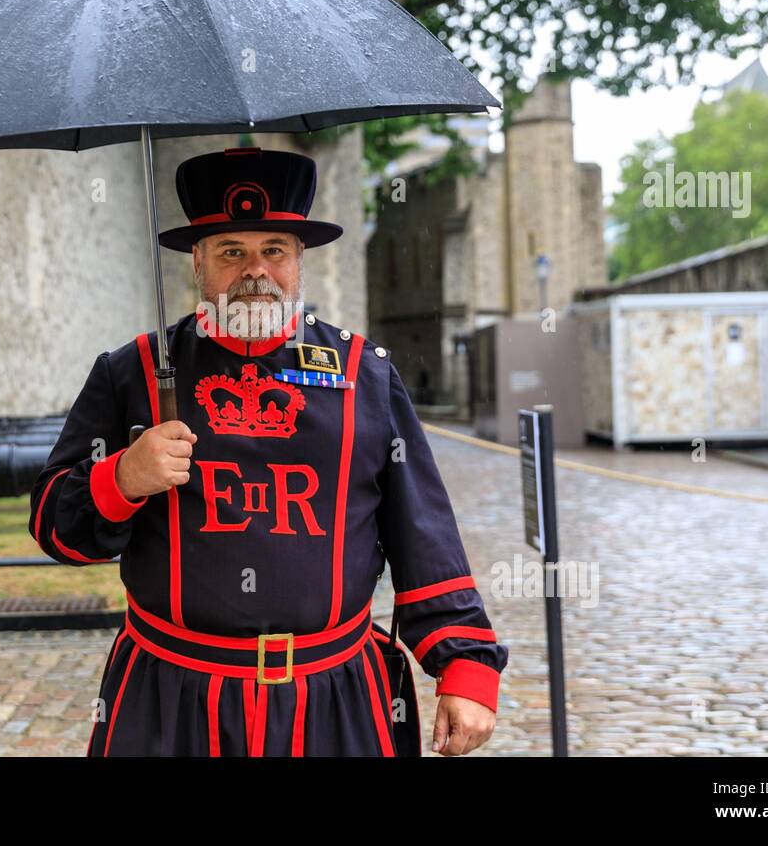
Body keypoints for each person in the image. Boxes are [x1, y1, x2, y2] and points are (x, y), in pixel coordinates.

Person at [29, 146, 507, 756]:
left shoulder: (364, 374)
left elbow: (422, 530)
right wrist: (121, 478)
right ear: (197, 260)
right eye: (231, 251)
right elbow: (54, 528)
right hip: (172, 699)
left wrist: (464, 662)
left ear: (299, 258)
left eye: (273, 250)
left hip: (336, 699)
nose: (255, 271)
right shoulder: (132, 373)